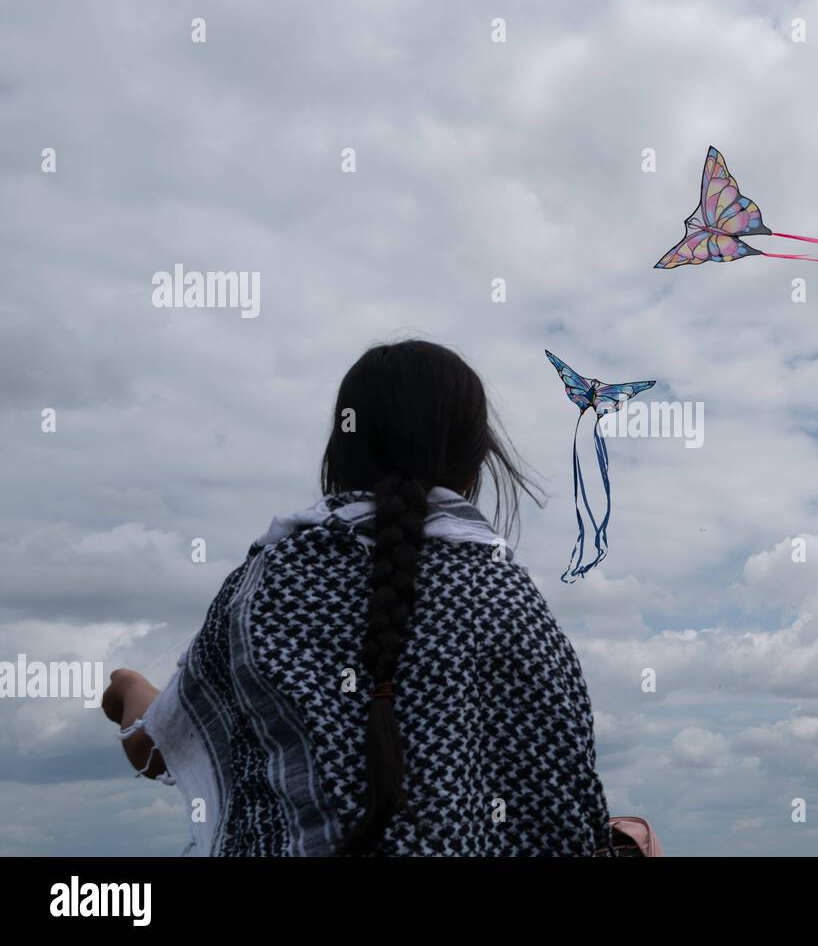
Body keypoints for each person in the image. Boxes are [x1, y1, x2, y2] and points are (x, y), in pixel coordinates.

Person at [100, 340, 612, 856]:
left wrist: (127, 686)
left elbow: (156, 746)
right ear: (476, 463)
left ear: (340, 451)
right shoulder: (511, 600)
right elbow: (567, 791)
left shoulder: (267, 585)